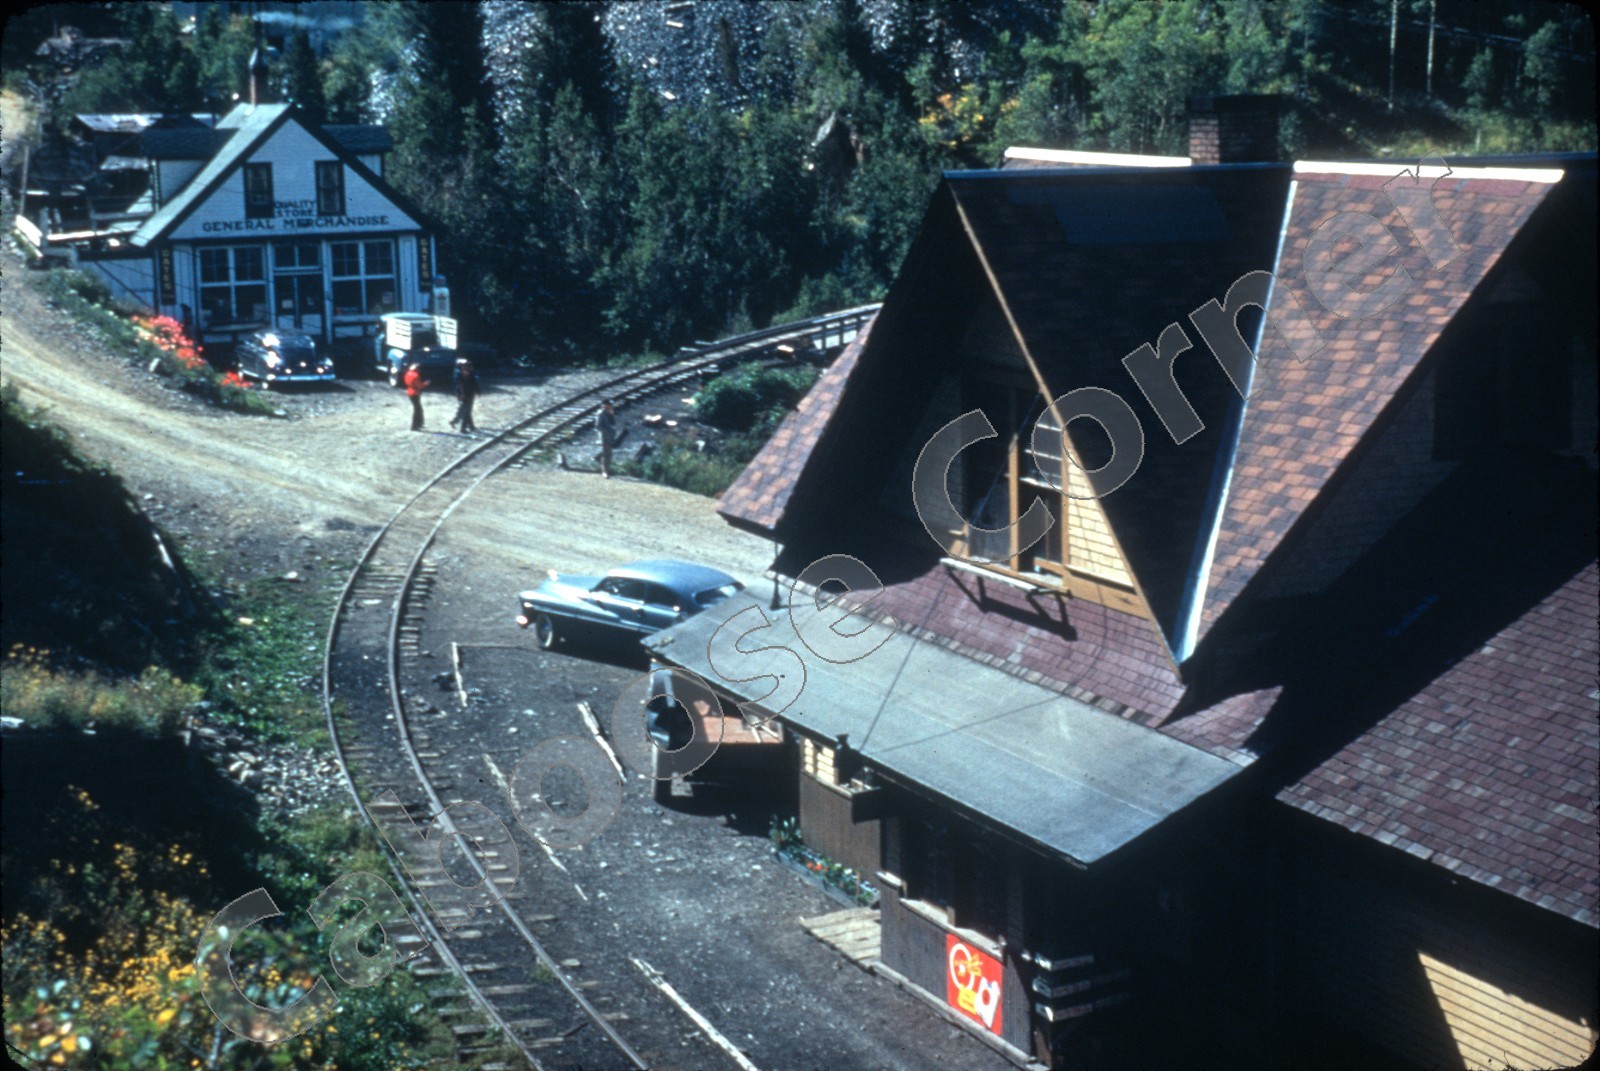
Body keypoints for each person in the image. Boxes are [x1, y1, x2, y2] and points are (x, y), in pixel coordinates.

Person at [449, 357, 479, 433]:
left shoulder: (464, 373)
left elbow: (474, 383)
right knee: (466, 411)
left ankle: (470, 426)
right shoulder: (460, 374)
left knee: (466, 410)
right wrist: (462, 394)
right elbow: (461, 385)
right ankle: (463, 428)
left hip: (468, 393)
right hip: (465, 394)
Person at [595, 399, 619, 478]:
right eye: (609, 405)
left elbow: (613, 423)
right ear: (605, 406)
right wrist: (605, 432)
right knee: (606, 454)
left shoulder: (609, 413)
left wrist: (612, 415)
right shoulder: (601, 414)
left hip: (610, 436)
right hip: (604, 436)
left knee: (608, 454)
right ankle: (605, 472)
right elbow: (598, 426)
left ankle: (599, 460)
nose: (611, 406)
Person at [404, 360, 429, 431]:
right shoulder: (416, 376)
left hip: (410, 392)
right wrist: (426, 383)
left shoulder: (408, 373)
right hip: (415, 393)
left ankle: (419, 424)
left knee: (418, 409)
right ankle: (414, 426)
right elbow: (419, 386)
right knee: (417, 410)